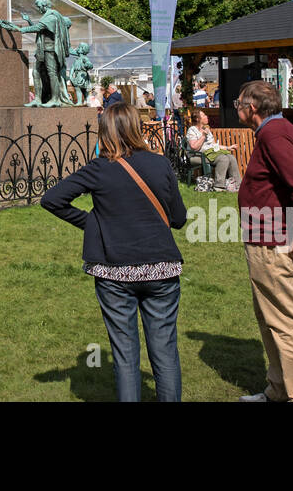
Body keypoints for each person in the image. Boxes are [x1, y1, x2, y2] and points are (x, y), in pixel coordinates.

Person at [41, 103, 186, 401]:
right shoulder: (160, 164)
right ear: (136, 127)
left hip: (114, 273)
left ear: (104, 132)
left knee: (124, 354)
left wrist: (93, 222)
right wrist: (96, 222)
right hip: (161, 268)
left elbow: (52, 199)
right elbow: (179, 218)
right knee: (165, 352)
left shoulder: (99, 169)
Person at [234, 80, 293, 402]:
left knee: (287, 323)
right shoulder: (276, 131)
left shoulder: (274, 134)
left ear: (252, 108)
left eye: (238, 103)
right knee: (271, 319)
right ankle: (280, 390)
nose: (237, 108)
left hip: (275, 242)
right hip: (268, 238)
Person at [185, 109, 240, 191]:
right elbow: (194, 147)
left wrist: (228, 147)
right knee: (223, 159)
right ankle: (219, 186)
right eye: (203, 115)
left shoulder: (206, 129)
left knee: (231, 157)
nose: (206, 116)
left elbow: (213, 145)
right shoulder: (192, 130)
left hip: (210, 154)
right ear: (197, 119)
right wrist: (203, 136)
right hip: (197, 155)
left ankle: (237, 185)